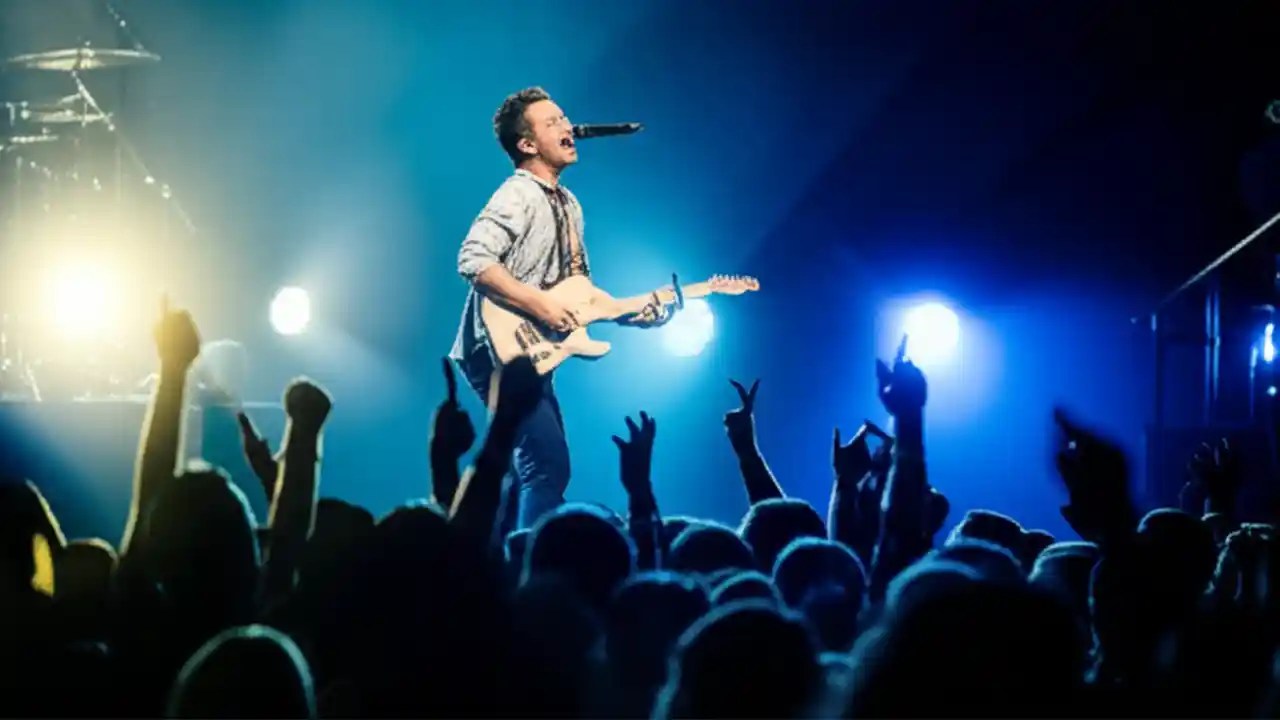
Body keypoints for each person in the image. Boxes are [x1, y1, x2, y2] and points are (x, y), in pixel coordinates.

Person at [450, 87, 671, 531]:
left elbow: (580, 294)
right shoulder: (518, 194)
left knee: (521, 476)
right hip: (495, 346)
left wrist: (640, 313)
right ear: (527, 144)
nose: (567, 127)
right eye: (552, 123)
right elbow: (473, 259)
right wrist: (540, 306)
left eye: (565, 119)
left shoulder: (569, 205)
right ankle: (533, 575)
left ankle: (495, 566)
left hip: (531, 351)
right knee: (546, 465)